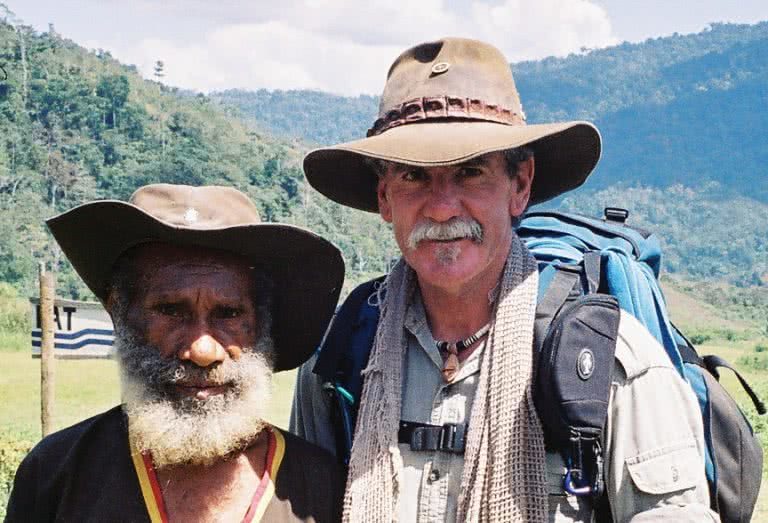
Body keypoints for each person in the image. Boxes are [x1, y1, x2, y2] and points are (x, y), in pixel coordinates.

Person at [291, 37, 718, 522]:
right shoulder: (341, 360)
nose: (442, 206)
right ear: (385, 198)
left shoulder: (605, 361)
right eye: (414, 176)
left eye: (471, 172)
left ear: (520, 186)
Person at [6, 184, 346, 522]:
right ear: (119, 313)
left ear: (259, 325)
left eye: (228, 313)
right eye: (171, 310)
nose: (202, 351)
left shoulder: (320, 488)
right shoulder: (55, 474)